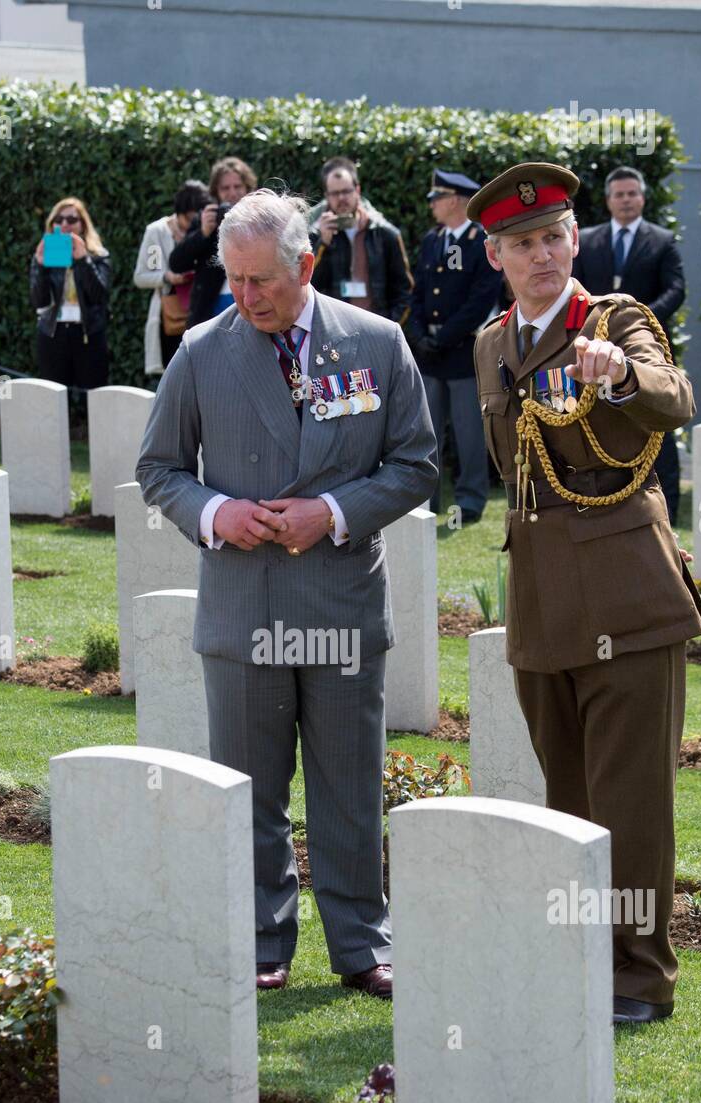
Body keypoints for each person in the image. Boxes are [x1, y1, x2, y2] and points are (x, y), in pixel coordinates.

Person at [136, 189, 437, 999]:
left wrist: (333, 512)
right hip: (245, 609)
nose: (244, 296)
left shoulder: (375, 342)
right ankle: (262, 940)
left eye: (261, 280)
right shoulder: (202, 351)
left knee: (349, 786)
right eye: (233, 280)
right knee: (250, 790)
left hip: (340, 608)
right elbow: (157, 469)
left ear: (306, 265)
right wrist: (214, 512)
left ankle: (361, 945)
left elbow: (416, 463)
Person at [468, 161, 701, 1026]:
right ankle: (581, 952)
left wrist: (616, 377)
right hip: (541, 602)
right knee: (566, 797)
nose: (541, 254)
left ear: (576, 239)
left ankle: (640, 975)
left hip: (627, 600)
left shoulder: (614, 322)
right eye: (521, 243)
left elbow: (674, 396)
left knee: (631, 799)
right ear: (495, 255)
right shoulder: (492, 343)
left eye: (553, 237)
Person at [573, 166, 686, 523]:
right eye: (619, 194)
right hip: (592, 354)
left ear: (642, 197)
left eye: (631, 193)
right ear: (608, 200)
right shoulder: (588, 240)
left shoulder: (662, 239)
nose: (625, 200)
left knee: (658, 428)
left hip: (646, 350)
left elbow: (676, 289)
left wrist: (636, 319)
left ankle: (667, 509)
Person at [409, 169, 502, 519]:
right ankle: (425, 500)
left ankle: (470, 499)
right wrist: (418, 332)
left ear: (455, 200)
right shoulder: (433, 239)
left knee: (468, 431)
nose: (432, 204)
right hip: (431, 351)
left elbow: (481, 299)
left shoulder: (482, 242)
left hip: (463, 349)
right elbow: (418, 290)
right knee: (427, 431)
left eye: (437, 198)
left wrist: (444, 336)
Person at [309, 157, 413, 324]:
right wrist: (324, 244)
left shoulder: (384, 234)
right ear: (326, 196)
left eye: (347, 191)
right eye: (335, 193)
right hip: (334, 331)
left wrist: (390, 329)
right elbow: (305, 288)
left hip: (376, 330)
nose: (341, 198)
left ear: (357, 190)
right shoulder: (314, 235)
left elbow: (404, 291)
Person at [31, 196, 111, 391]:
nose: (65, 224)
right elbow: (38, 301)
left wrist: (83, 260)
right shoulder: (45, 255)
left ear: (82, 224)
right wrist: (40, 267)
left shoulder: (98, 256)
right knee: (53, 399)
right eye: (59, 220)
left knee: (93, 397)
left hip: (88, 334)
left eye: (72, 219)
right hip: (53, 333)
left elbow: (99, 295)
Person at [167, 157, 257, 326]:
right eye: (225, 188)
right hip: (211, 309)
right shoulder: (207, 218)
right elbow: (176, 263)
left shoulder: (261, 216)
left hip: (252, 305)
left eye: (237, 186)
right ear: (216, 192)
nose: (232, 193)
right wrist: (202, 233)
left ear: (247, 188)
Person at [133, 180, 210, 374]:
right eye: (189, 218)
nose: (192, 224)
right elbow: (142, 276)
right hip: (170, 315)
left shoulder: (208, 230)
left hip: (201, 309)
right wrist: (168, 277)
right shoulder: (158, 232)